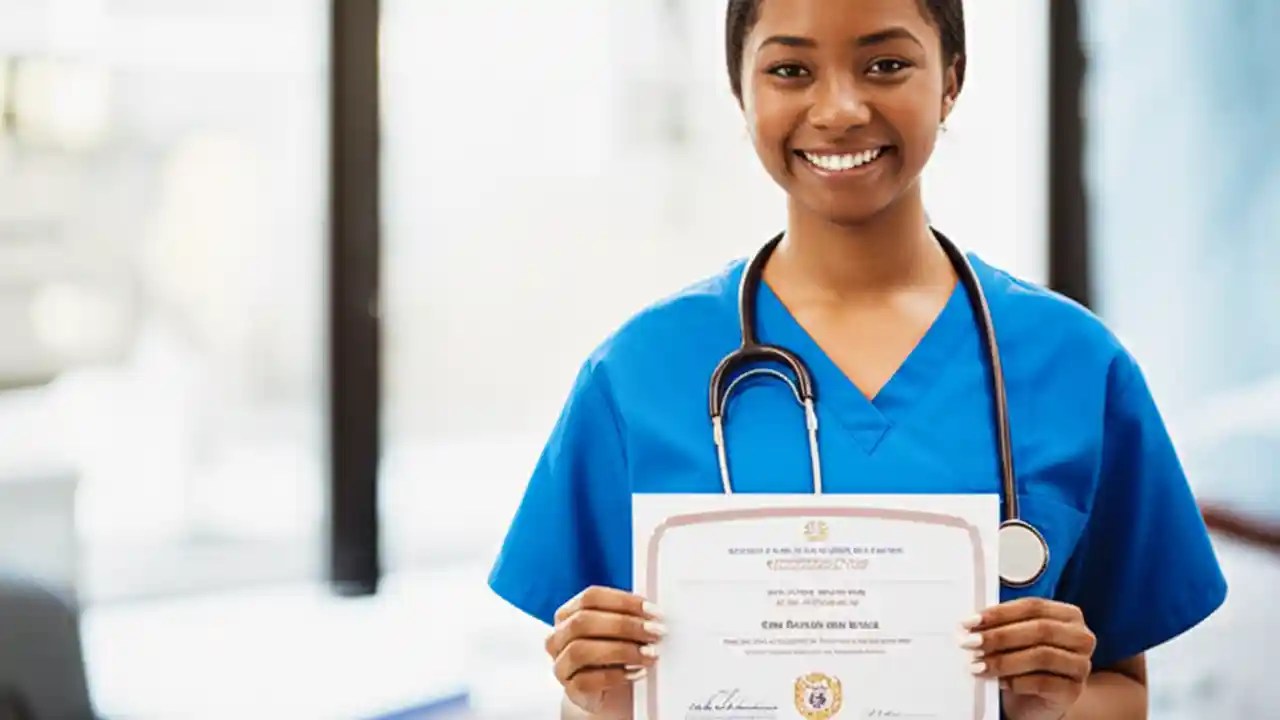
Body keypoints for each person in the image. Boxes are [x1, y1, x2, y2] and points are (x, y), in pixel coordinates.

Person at [487, 1, 1228, 718]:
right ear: (738, 89)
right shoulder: (637, 375)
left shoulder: (1074, 365)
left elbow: (1125, 692)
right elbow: (600, 702)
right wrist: (599, 703)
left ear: (951, 80)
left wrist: (1050, 710)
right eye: (789, 71)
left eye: (885, 64)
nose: (839, 108)